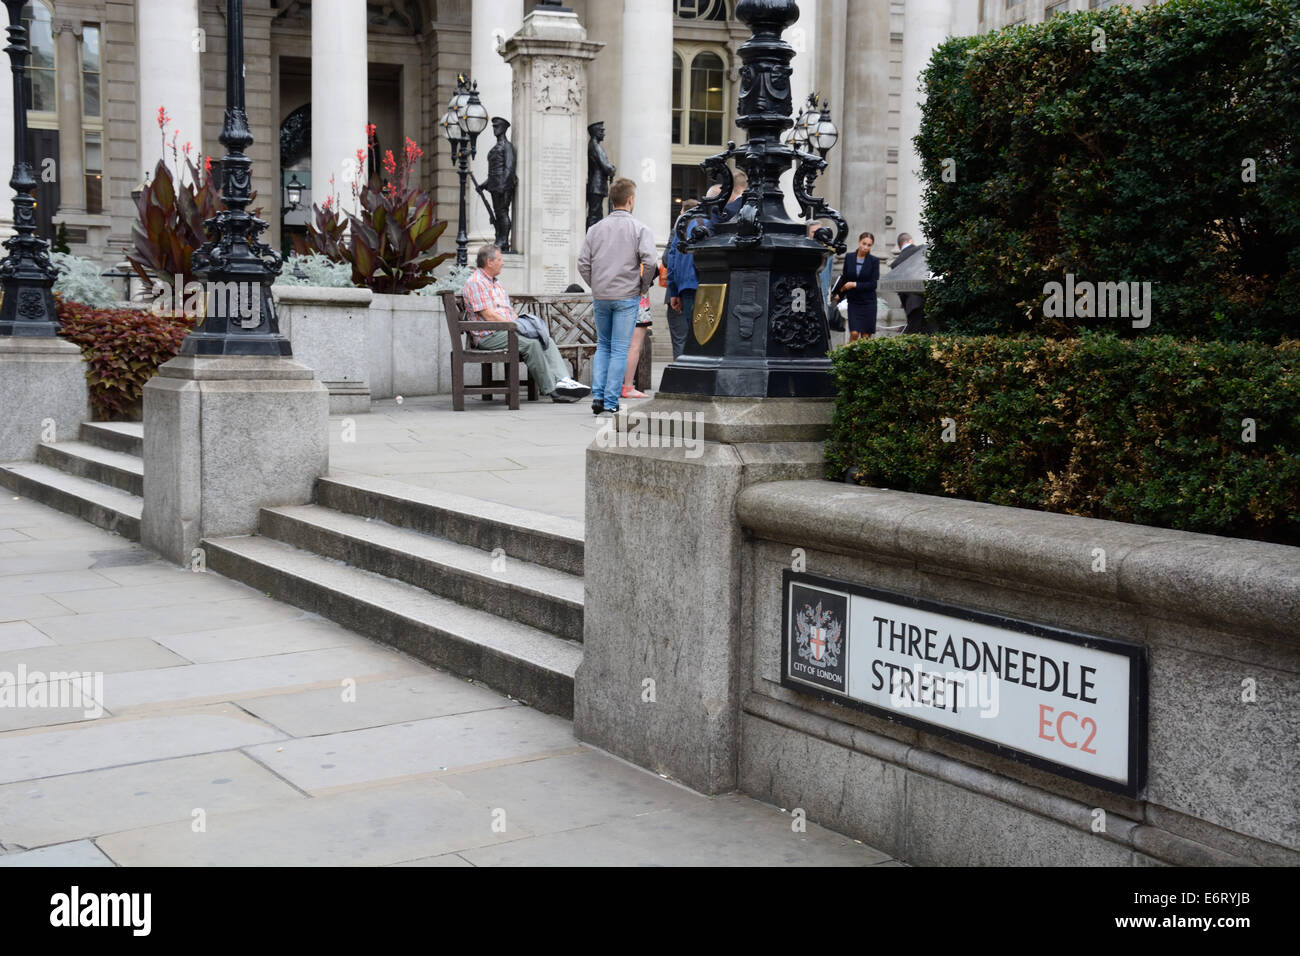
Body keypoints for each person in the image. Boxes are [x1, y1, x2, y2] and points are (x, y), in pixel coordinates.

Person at [462, 244, 591, 403]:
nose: (503, 263)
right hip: (489, 335)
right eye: (500, 260)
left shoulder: (496, 283)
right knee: (531, 345)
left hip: (506, 330)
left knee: (544, 338)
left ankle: (564, 380)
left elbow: (508, 311)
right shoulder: (476, 282)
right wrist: (514, 325)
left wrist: (521, 325)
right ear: (489, 262)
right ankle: (553, 390)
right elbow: (488, 315)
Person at [578, 177, 656, 416]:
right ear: (630, 200)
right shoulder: (640, 228)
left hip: (602, 296)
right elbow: (651, 261)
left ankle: (598, 396)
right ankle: (611, 401)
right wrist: (642, 287)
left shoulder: (595, 229)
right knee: (620, 349)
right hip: (626, 295)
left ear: (612, 201)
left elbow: (582, 263)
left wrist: (597, 284)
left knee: (603, 346)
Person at [665, 198, 702, 360]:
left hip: (683, 288)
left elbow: (669, 259)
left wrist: (673, 289)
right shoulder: (707, 223)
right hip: (702, 286)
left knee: (681, 338)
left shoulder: (680, 228)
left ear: (683, 212)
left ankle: (681, 374)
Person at [834, 231, 880, 342]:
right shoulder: (849, 257)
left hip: (868, 303)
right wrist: (839, 294)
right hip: (854, 302)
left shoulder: (874, 261)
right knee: (854, 333)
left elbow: (873, 284)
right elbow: (845, 278)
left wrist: (855, 284)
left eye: (869, 245)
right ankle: (849, 358)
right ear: (859, 242)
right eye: (864, 243)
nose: (865, 247)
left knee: (865, 337)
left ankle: (863, 359)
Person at [891, 232, 930, 333]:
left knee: (914, 338)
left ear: (900, 247)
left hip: (911, 306)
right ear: (911, 241)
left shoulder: (895, 264)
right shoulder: (921, 249)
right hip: (929, 303)